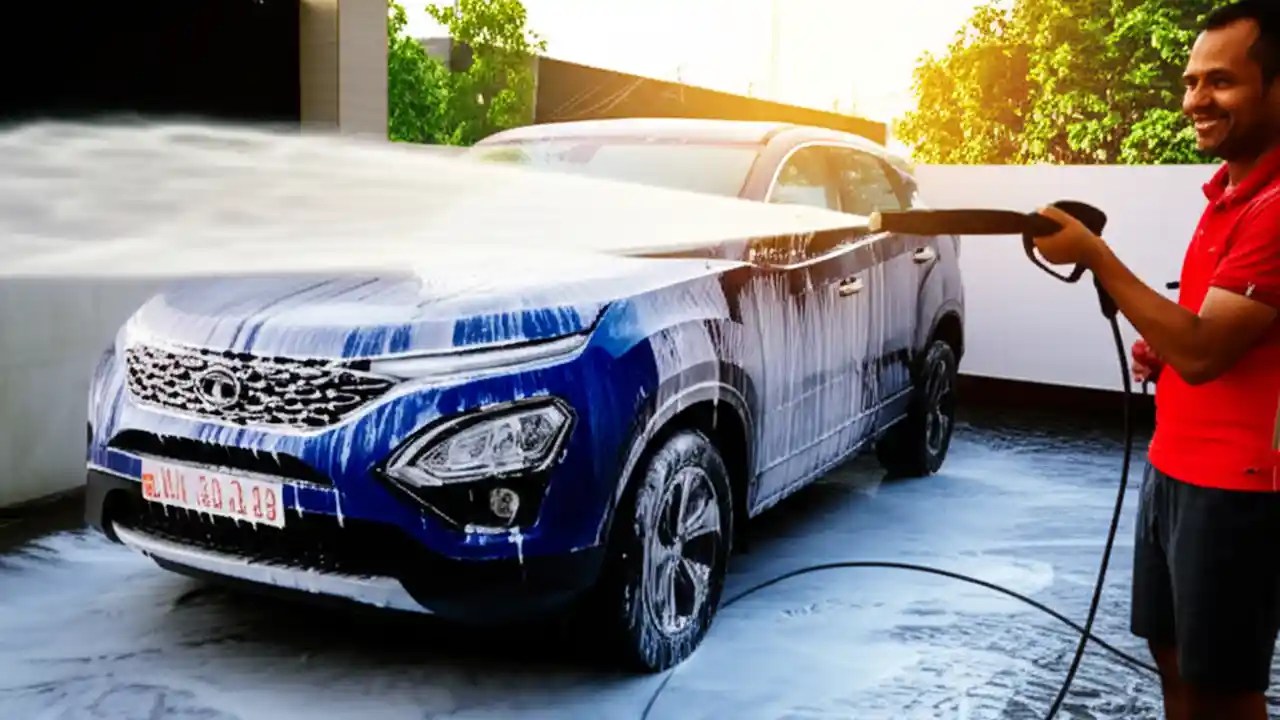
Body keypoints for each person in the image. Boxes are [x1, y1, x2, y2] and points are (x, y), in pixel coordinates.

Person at [1032, 2, 1280, 718]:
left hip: (1238, 487)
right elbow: (1202, 335)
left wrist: (1096, 256)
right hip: (1174, 464)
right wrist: (1162, 349)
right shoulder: (1227, 194)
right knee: (1171, 658)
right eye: (1191, 82)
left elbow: (1202, 352)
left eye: (1221, 81)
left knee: (1221, 685)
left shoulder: (1275, 206)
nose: (1196, 99)